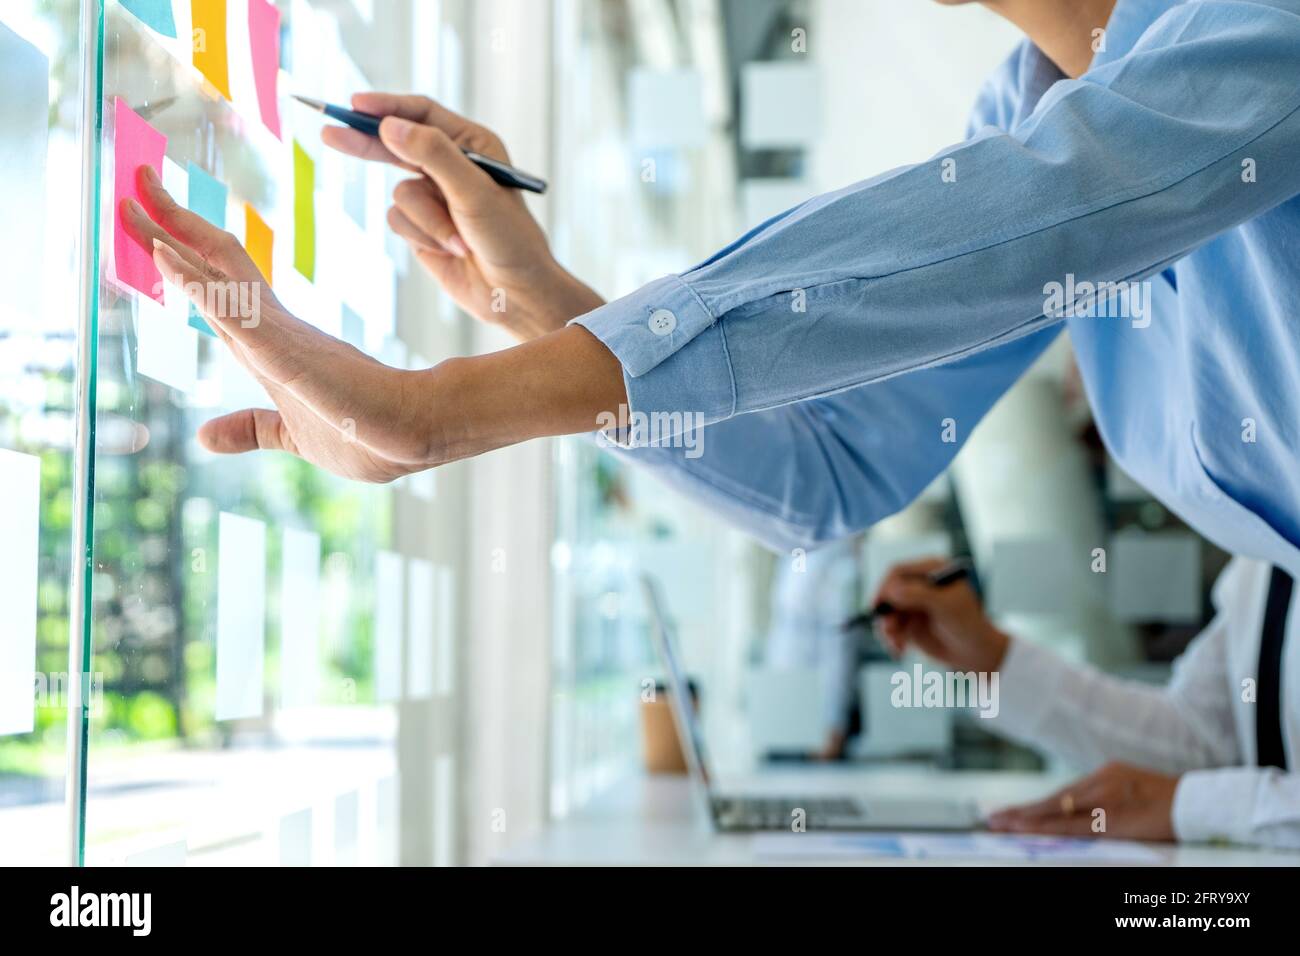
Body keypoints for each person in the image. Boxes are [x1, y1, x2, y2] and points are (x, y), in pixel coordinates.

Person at [122, 0, 1300, 578]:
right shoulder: (1017, 113)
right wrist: (544, 306)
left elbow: (1057, 205)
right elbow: (828, 470)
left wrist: (441, 409)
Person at [871, 556, 1299, 848]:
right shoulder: (1259, 556)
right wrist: (989, 657)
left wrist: (1194, 804)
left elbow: (1191, 789)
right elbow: (1199, 739)